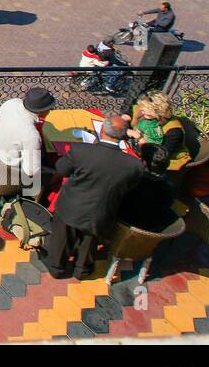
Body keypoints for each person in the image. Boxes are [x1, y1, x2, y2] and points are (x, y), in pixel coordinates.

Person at [42, 115, 146, 279]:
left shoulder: (80, 151)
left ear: (102, 130)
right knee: (89, 242)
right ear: (124, 135)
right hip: (102, 213)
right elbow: (129, 187)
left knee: (62, 241)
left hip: (71, 207)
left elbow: (61, 169)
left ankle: (57, 268)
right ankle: (82, 270)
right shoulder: (134, 165)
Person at [0, 87, 55, 189]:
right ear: (42, 112)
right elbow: (31, 171)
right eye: (50, 109)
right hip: (7, 169)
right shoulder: (31, 136)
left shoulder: (11, 103)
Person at [129, 90, 197, 174]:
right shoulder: (142, 111)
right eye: (141, 107)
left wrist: (140, 139)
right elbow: (126, 117)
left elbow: (160, 155)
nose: (141, 110)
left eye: (145, 109)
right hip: (139, 151)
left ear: (158, 111)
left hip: (163, 162)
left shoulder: (174, 131)